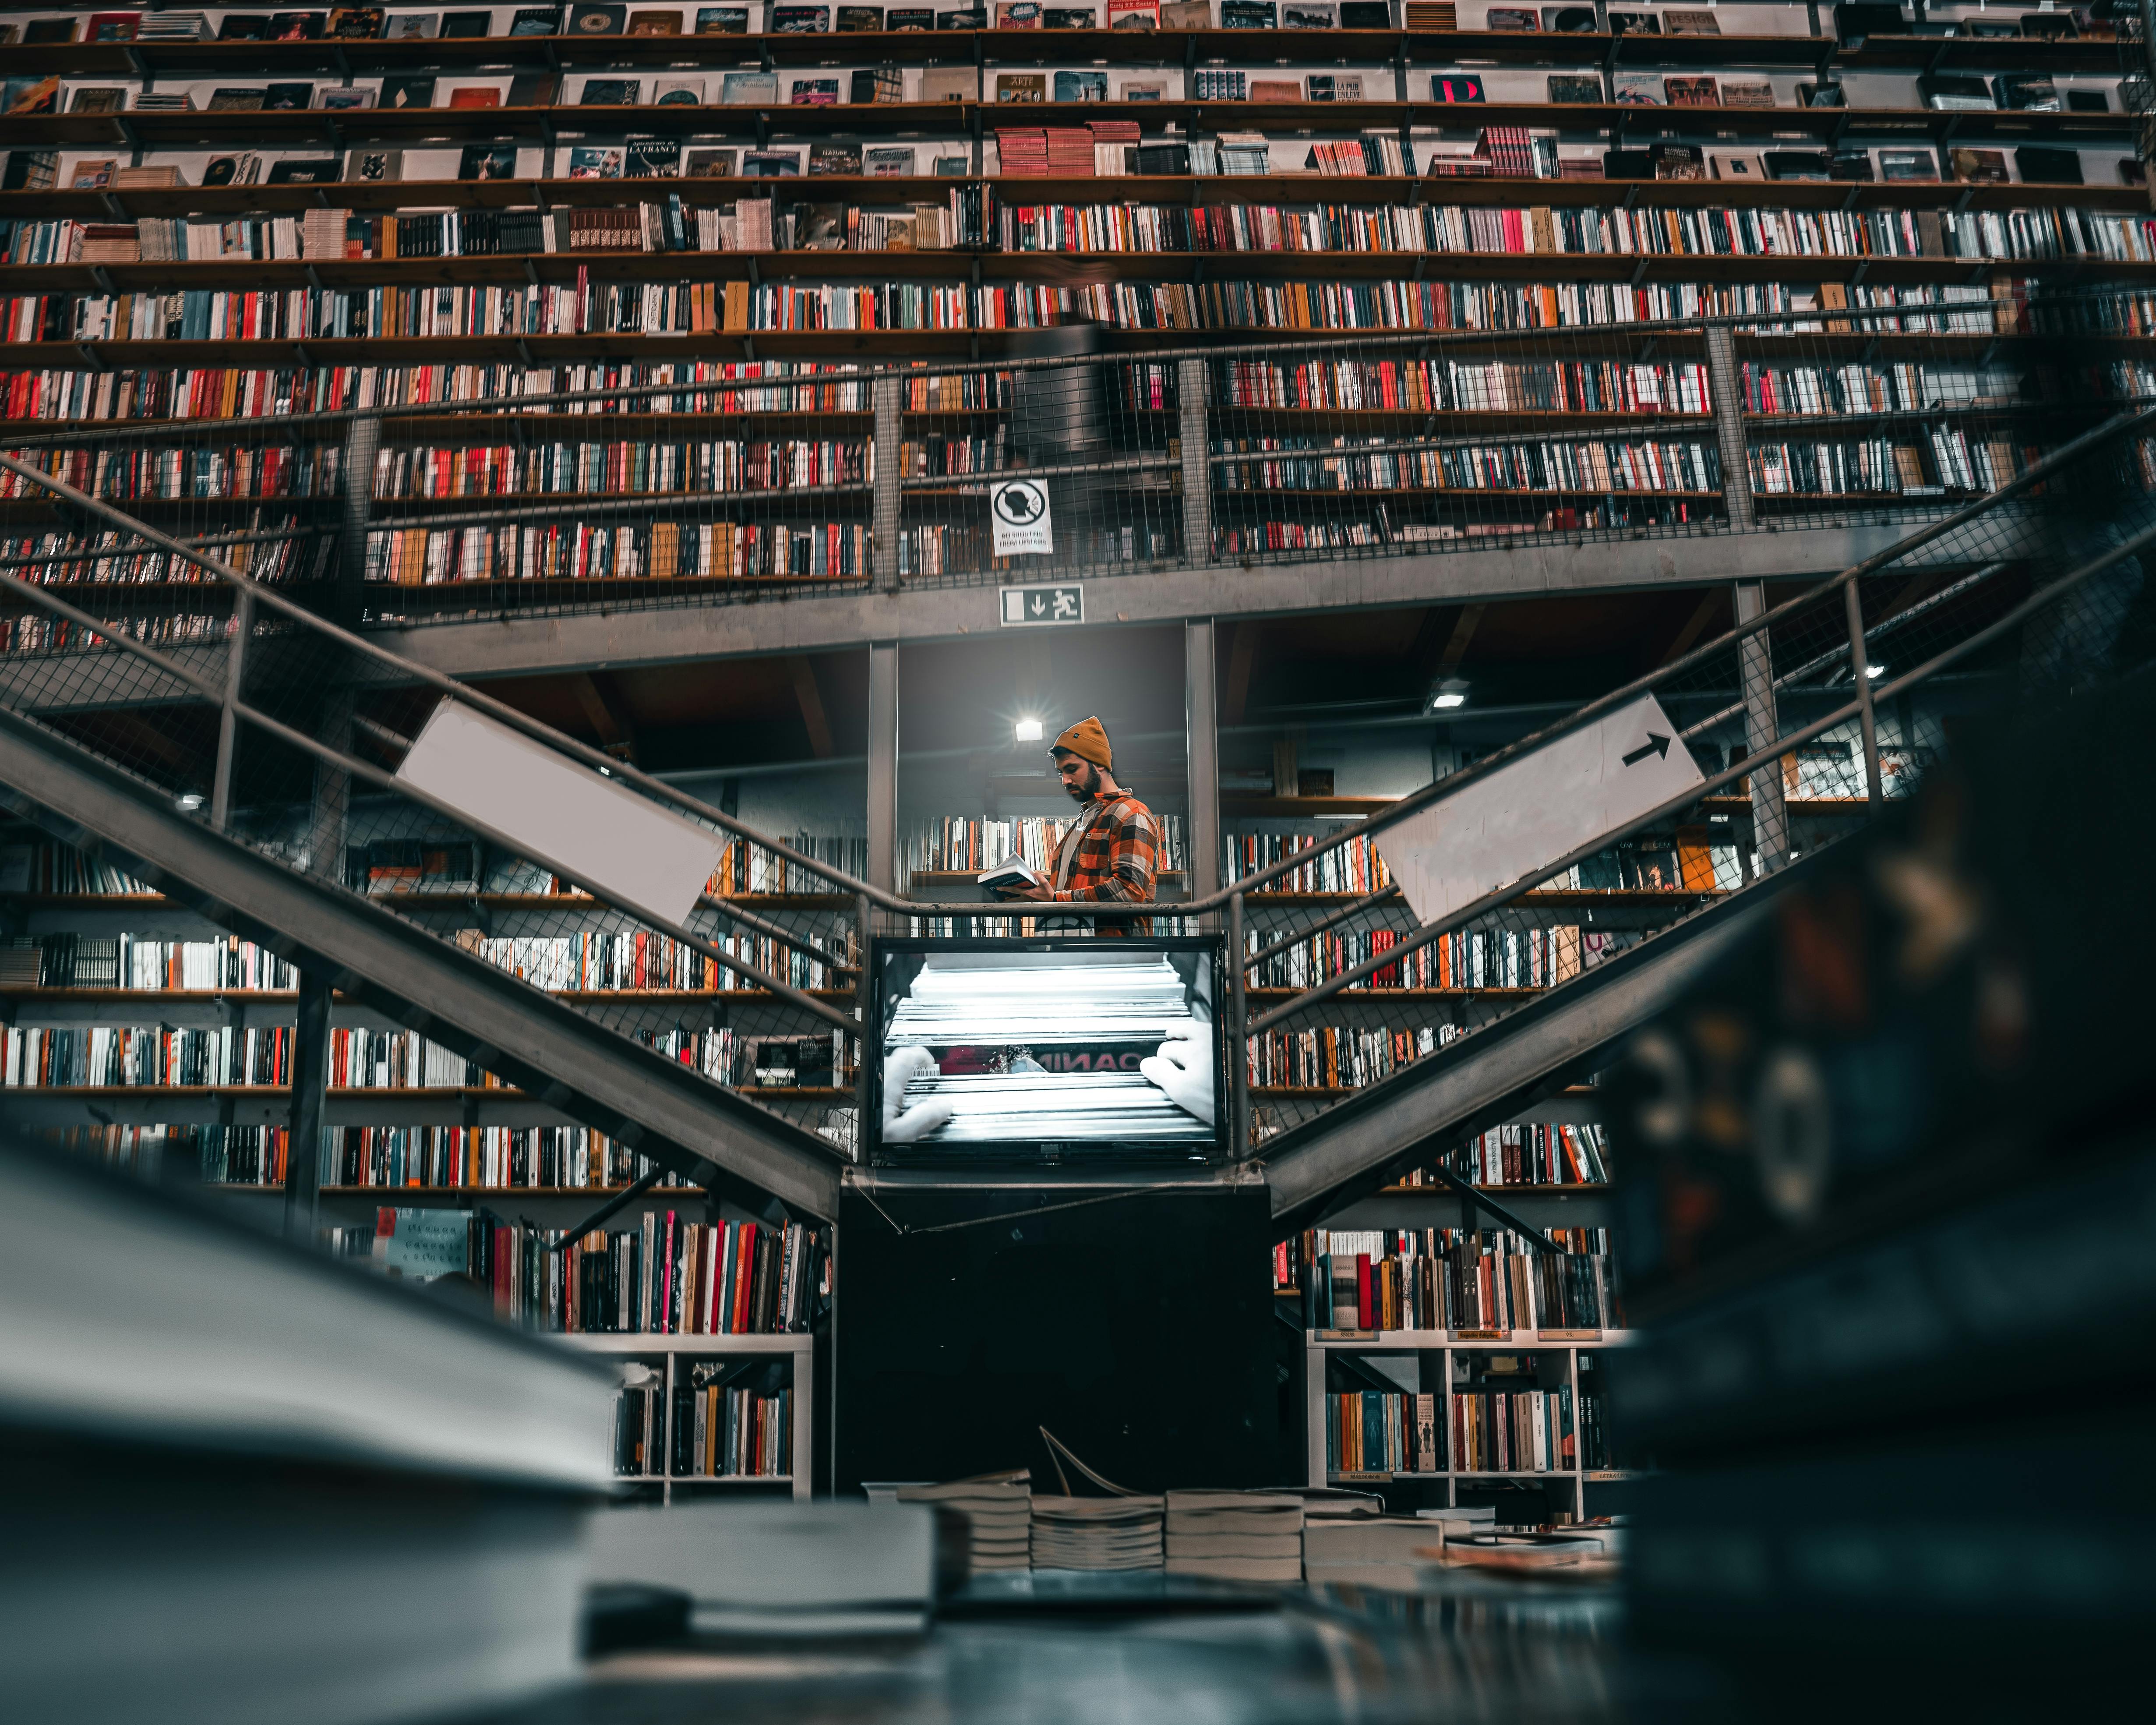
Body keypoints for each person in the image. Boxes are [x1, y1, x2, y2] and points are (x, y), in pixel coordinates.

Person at [995, 715, 1160, 936]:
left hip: (1115, 952)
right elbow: (1066, 892)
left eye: (1072, 769)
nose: (1065, 780)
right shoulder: (1083, 821)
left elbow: (1130, 891)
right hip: (1070, 947)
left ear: (1100, 764)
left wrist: (1055, 899)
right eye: (1061, 772)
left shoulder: (1130, 813)